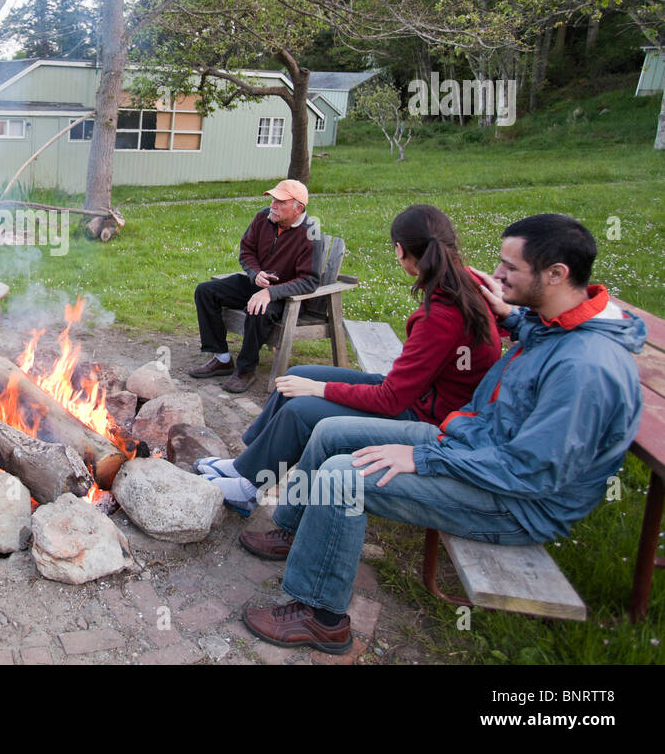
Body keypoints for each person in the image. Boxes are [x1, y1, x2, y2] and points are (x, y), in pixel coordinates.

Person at [237, 214, 645, 654]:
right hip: (477, 445)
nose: (498, 275)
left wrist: (424, 458)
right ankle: (296, 532)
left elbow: (532, 473)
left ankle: (322, 617)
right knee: (332, 433)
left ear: (556, 274)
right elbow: (547, 344)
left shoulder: (585, 369)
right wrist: (511, 316)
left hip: (518, 501)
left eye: (511, 267)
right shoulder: (563, 324)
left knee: (343, 478)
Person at [196, 204, 502, 513]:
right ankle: (244, 466)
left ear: (400, 251)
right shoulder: (468, 284)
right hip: (426, 395)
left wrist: (319, 390)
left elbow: (391, 399)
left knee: (302, 407)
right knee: (298, 375)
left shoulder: (441, 315)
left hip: (429, 418)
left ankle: (248, 488)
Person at [190, 179, 320, 393]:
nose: (273, 205)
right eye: (273, 200)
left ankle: (245, 370)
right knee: (205, 291)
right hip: (258, 283)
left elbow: (310, 280)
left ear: (299, 207)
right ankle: (222, 358)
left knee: (258, 309)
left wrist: (271, 292)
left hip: (286, 297)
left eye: (281, 202)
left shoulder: (310, 233)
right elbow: (247, 250)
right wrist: (255, 273)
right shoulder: (263, 218)